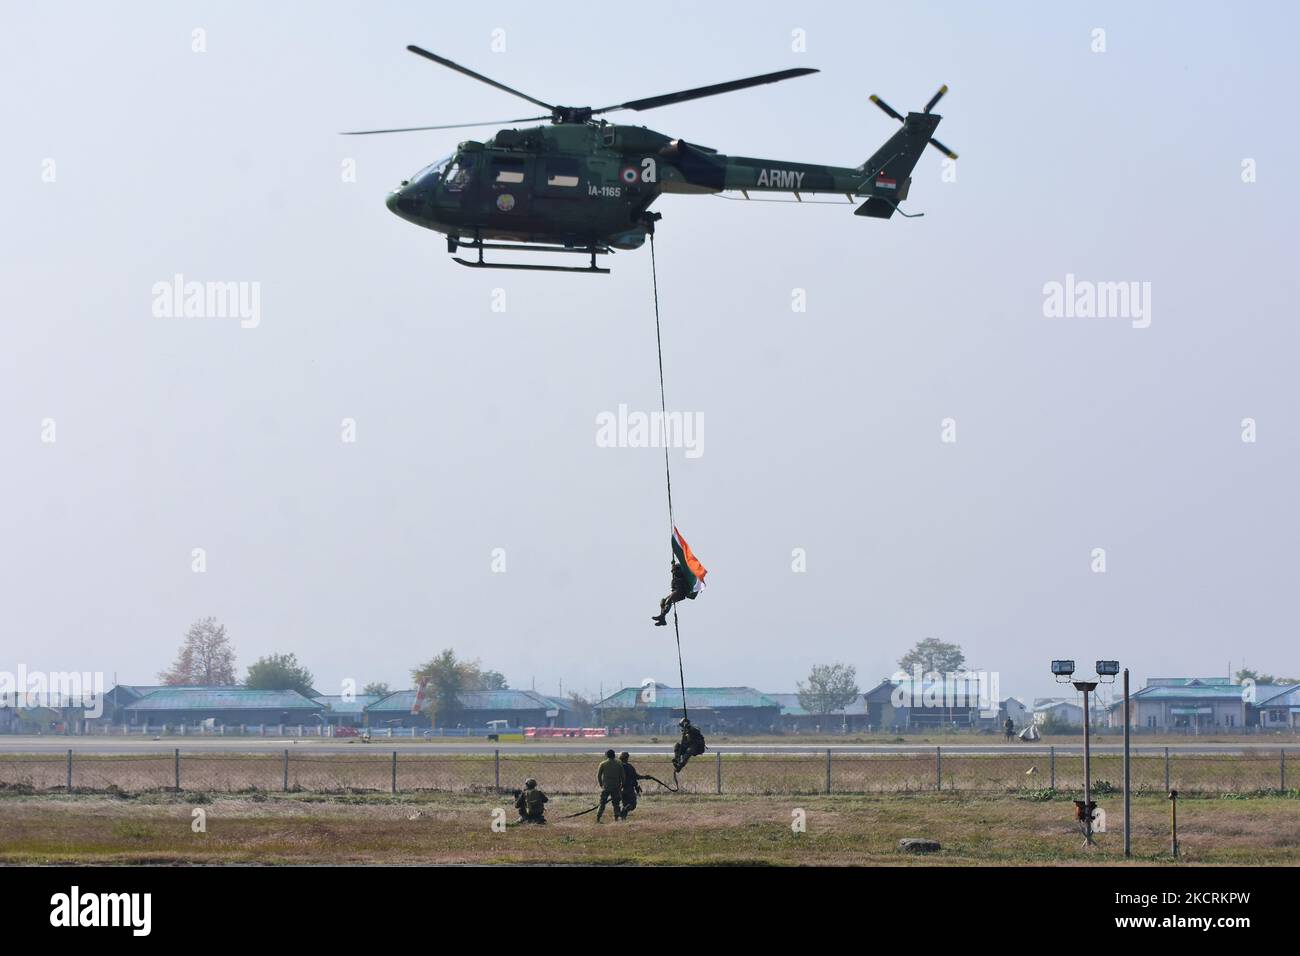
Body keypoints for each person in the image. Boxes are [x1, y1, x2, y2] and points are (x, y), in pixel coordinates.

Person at [652, 559, 696, 626]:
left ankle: (662, 615)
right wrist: (673, 563)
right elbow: (674, 571)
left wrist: (675, 566)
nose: (673, 572)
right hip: (676, 591)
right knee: (663, 601)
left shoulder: (682, 577)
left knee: (668, 601)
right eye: (673, 571)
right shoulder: (675, 577)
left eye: (675, 570)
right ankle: (662, 619)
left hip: (681, 592)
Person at [596, 749, 625, 822]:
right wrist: (622, 784)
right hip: (616, 786)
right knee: (616, 803)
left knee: (602, 803)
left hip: (606, 787)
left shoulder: (603, 763)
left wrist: (601, 784)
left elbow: (599, 775)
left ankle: (598, 818)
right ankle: (616, 818)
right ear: (614, 755)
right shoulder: (619, 763)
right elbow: (623, 776)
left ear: (607, 755)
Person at [617, 751, 642, 819]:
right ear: (627, 758)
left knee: (625, 804)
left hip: (620, 789)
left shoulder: (618, 766)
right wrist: (645, 777)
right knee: (632, 805)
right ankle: (623, 812)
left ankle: (623, 818)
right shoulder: (629, 766)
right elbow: (635, 777)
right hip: (629, 788)